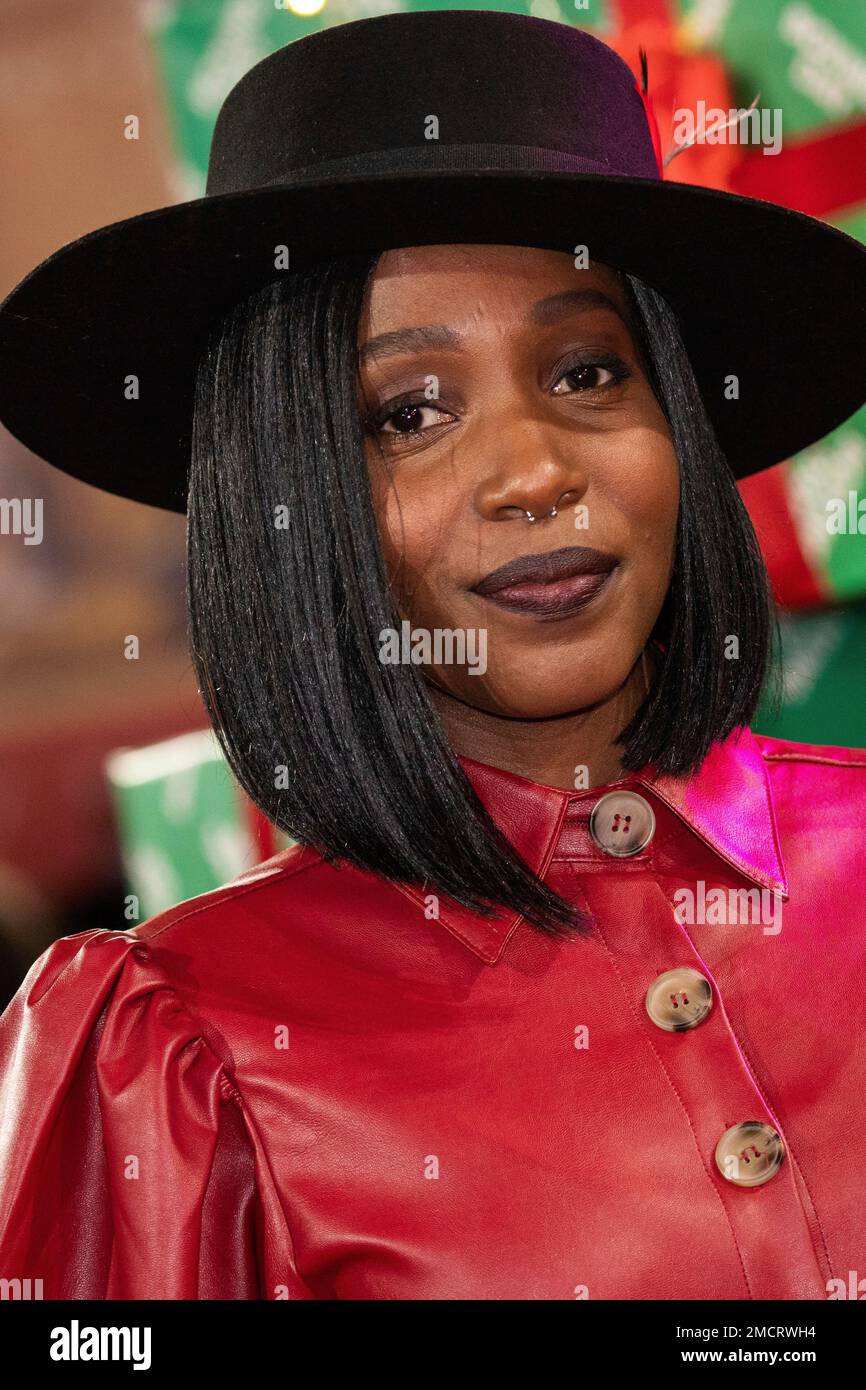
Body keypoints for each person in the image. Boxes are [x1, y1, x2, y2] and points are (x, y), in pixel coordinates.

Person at [1, 9, 866, 1302]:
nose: (532, 472)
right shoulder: (178, 1045)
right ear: (287, 495)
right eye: (408, 411)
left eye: (585, 373)